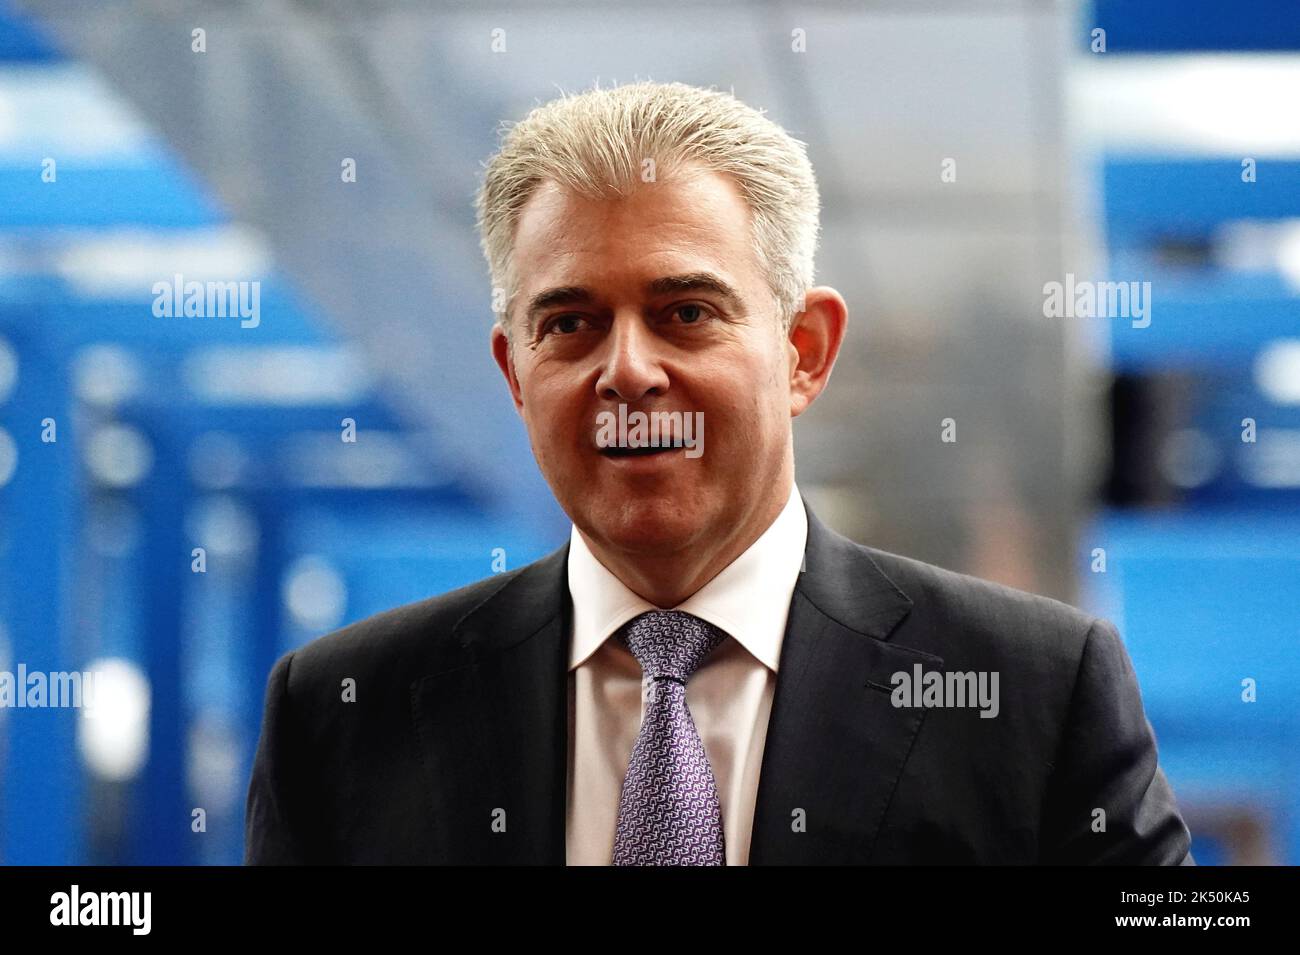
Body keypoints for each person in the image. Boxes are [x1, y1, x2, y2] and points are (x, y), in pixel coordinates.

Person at [244, 81, 1194, 865]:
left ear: (804, 352)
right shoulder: (342, 715)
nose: (627, 368)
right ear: (514, 374)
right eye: (569, 322)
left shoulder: (1031, 692)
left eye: (686, 312)